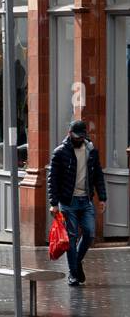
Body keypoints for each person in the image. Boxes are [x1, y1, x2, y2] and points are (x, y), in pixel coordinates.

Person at [48, 119, 107, 286]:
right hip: (68, 202)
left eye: (82, 136)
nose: (79, 139)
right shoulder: (60, 152)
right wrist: (54, 203)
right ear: (69, 134)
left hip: (86, 200)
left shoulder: (91, 150)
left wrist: (102, 198)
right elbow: (53, 180)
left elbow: (98, 176)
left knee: (89, 233)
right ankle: (73, 274)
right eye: (76, 136)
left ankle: (76, 262)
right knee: (72, 238)